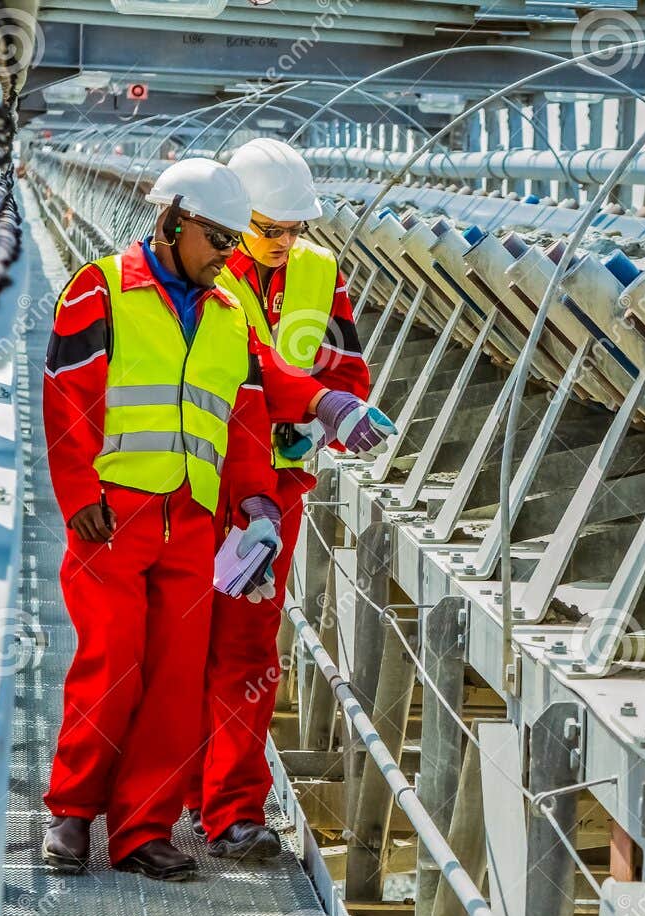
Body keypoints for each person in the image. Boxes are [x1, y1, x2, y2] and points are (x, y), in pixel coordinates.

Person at [39, 158, 287, 882]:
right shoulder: (101, 288)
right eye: (219, 238)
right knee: (111, 665)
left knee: (176, 683)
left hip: (193, 522)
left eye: (235, 242)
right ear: (174, 222)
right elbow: (66, 393)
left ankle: (143, 829)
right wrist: (79, 495)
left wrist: (257, 505)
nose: (228, 254)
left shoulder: (229, 314)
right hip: (113, 518)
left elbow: (244, 419)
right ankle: (72, 812)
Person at [185, 138, 391, 860]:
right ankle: (173, 791)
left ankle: (232, 811)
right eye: (269, 228)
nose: (283, 241)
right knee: (179, 640)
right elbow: (247, 364)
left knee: (247, 651)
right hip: (195, 484)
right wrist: (313, 402)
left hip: (273, 493)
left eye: (294, 228)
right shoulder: (202, 268)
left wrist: (330, 417)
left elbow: (345, 369)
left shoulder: (317, 274)